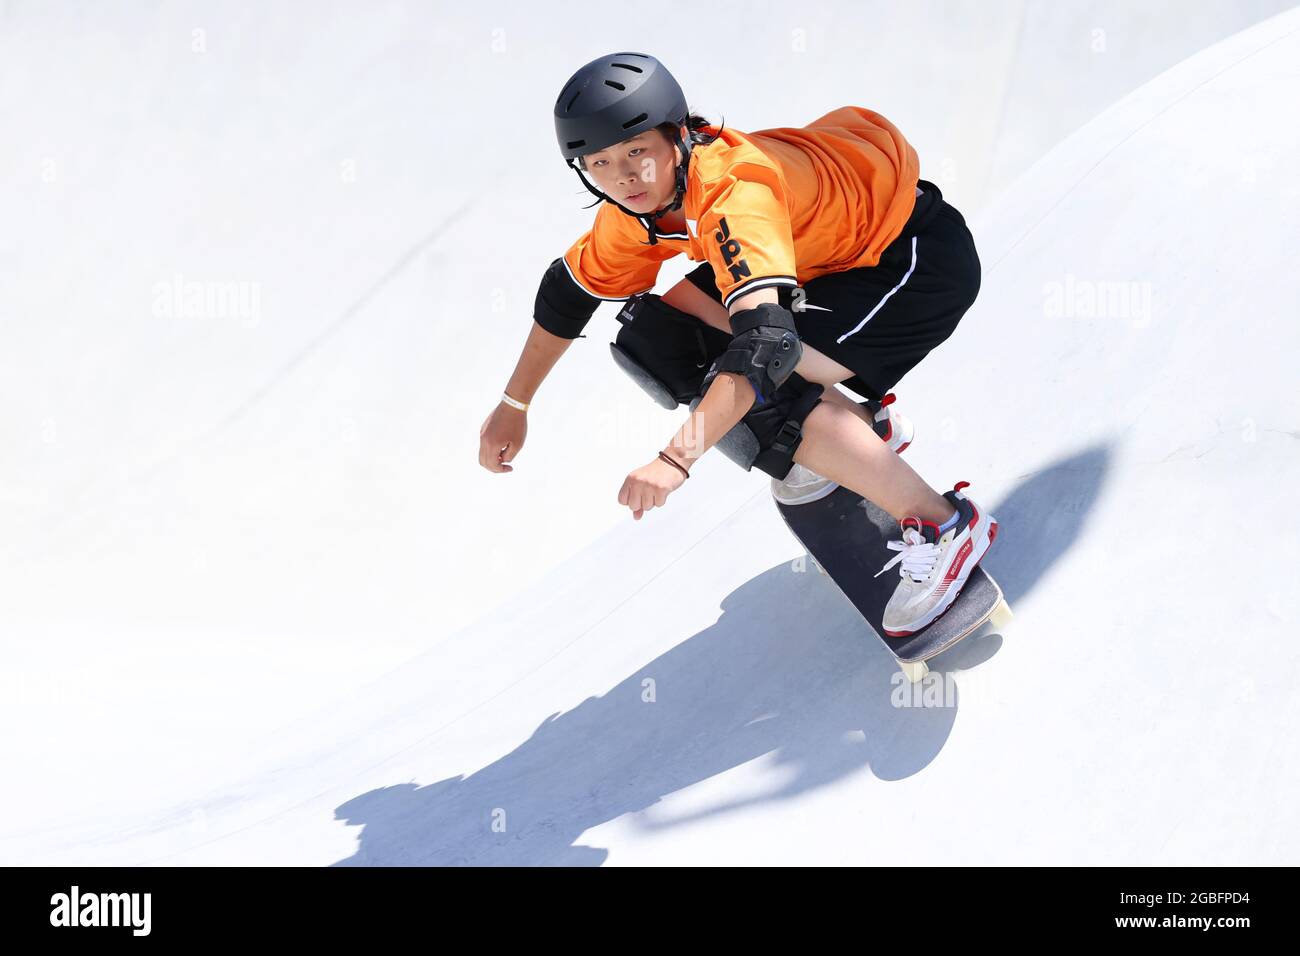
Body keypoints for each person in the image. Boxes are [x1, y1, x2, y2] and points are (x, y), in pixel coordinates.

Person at [478, 52, 997, 637]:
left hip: (909, 261)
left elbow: (763, 349)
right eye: (599, 163)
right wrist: (513, 405)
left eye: (637, 153)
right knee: (664, 339)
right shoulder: (636, 210)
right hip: (819, 257)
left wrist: (675, 461)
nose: (624, 178)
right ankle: (852, 431)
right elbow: (567, 293)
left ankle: (943, 526)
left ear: (678, 135)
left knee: (763, 396)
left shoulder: (734, 193)